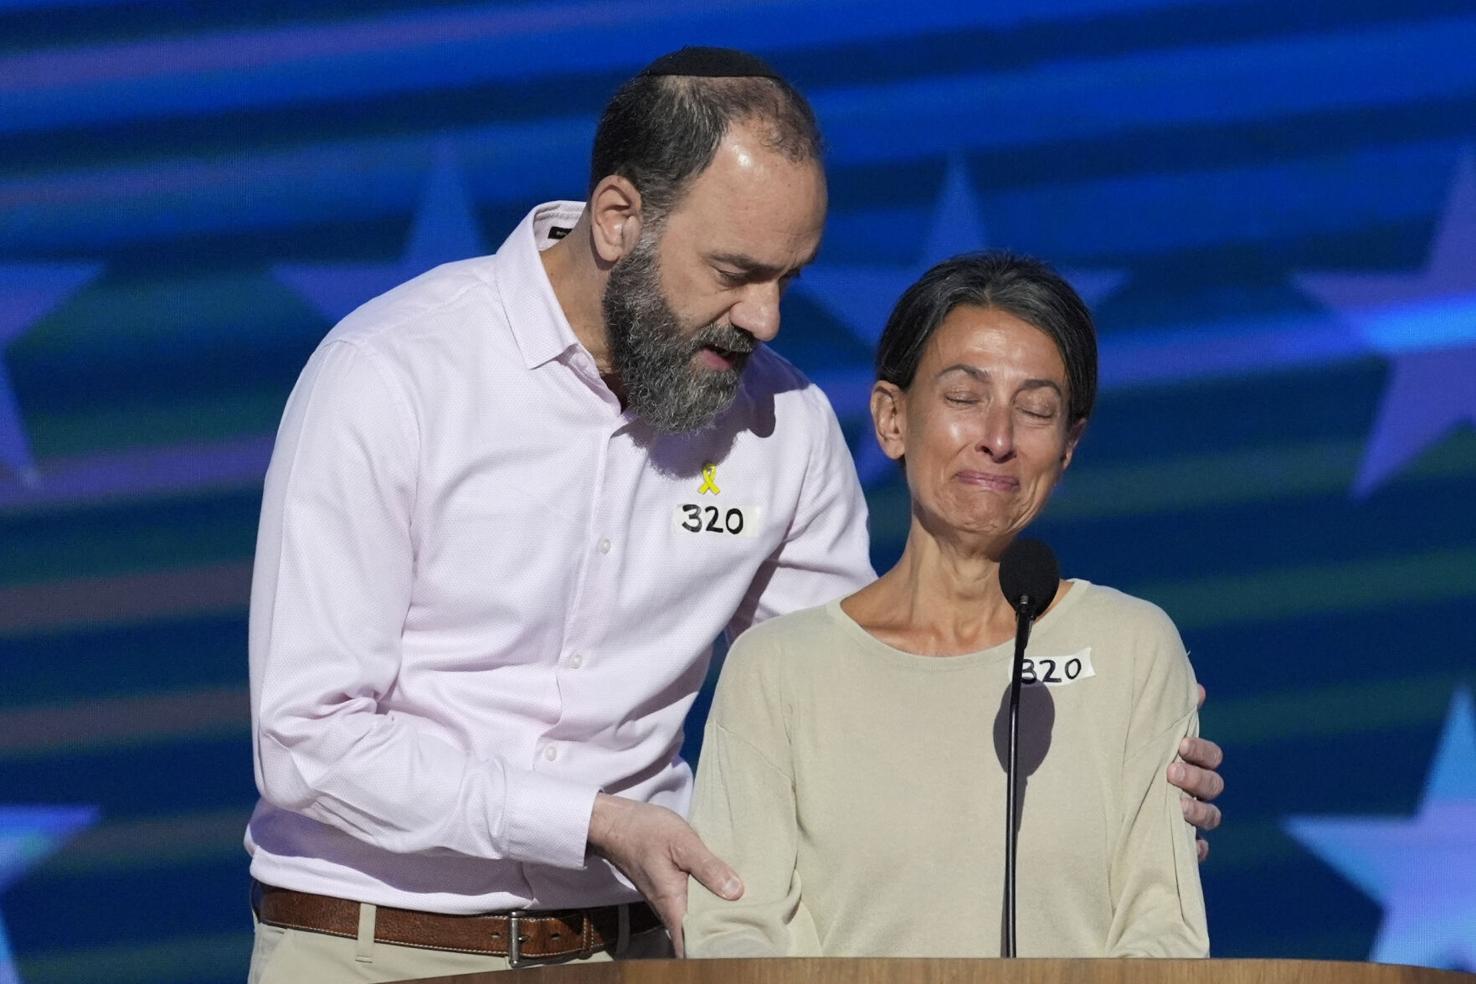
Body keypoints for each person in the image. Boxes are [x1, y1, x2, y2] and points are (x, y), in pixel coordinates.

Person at [244, 48, 1224, 981]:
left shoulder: (783, 425)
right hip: (374, 950)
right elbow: (308, 741)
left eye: (787, 279)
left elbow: (858, 716)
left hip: (646, 950)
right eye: (735, 273)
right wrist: (592, 819)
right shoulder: (390, 377)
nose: (767, 321)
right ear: (619, 218)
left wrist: (1110, 767)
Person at [685, 252, 1210, 958]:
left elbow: (1164, 935)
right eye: (965, 398)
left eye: (1035, 409)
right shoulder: (776, 670)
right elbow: (735, 939)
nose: (998, 438)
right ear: (892, 419)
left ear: (1068, 447)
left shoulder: (1133, 649)